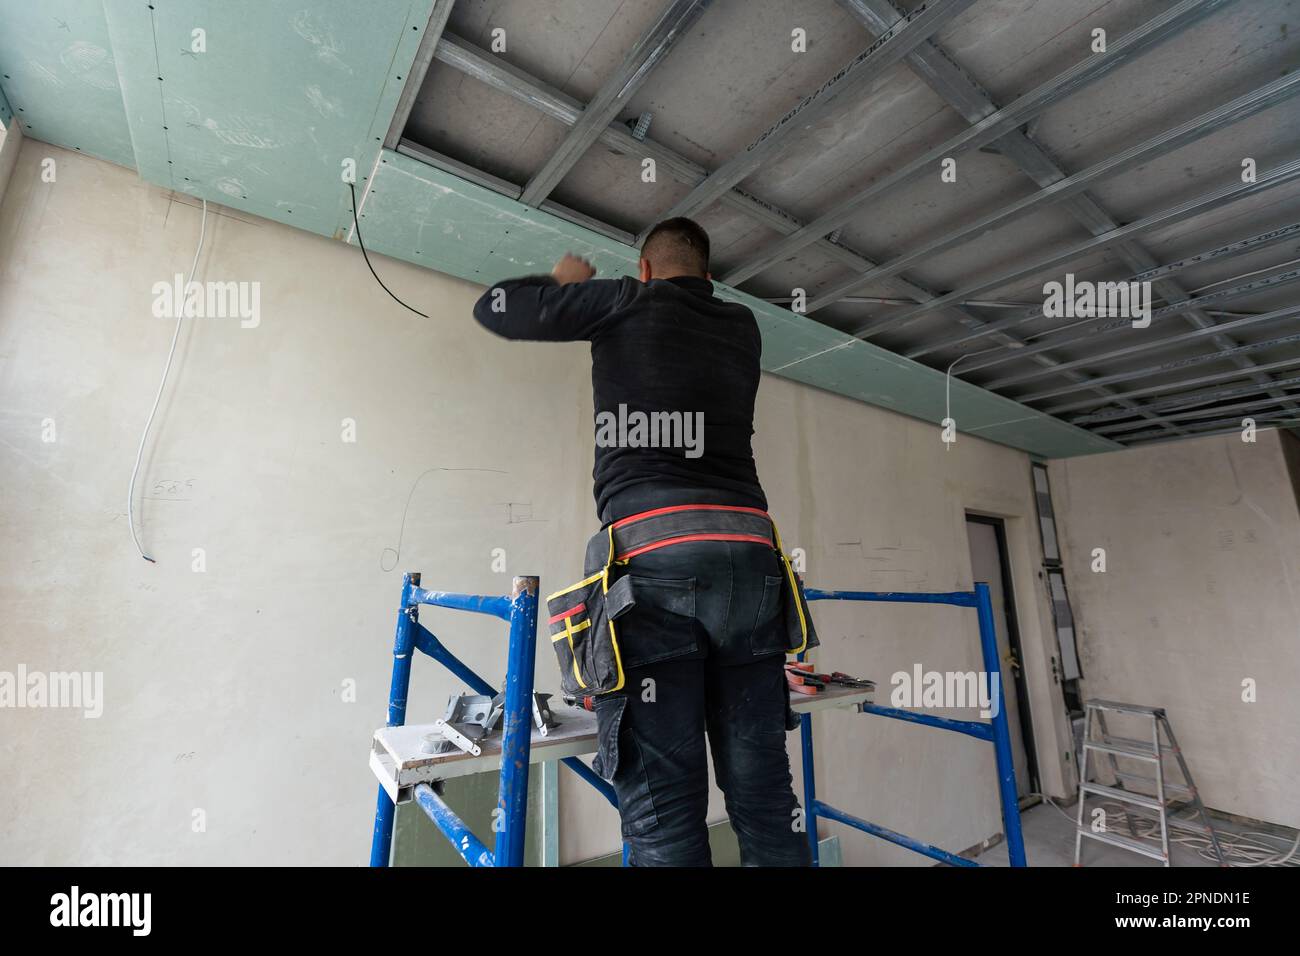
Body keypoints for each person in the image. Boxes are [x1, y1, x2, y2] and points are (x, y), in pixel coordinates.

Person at [472, 217, 811, 866]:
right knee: (766, 796)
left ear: (646, 270)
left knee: (665, 815)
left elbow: (496, 308)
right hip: (753, 563)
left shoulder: (626, 299)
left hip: (656, 566)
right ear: (709, 276)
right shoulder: (743, 325)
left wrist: (559, 282)